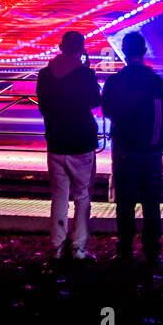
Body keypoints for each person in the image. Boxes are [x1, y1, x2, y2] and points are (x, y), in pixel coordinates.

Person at [101, 31, 163, 266]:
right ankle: (153, 252)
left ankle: (124, 251)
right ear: (144, 52)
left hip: (125, 150)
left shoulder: (116, 81)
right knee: (152, 203)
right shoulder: (155, 81)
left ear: (124, 51)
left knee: (125, 202)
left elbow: (107, 111)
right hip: (152, 151)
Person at [35, 31, 101, 262]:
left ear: (60, 47)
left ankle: (57, 246)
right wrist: (87, 68)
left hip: (55, 140)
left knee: (59, 196)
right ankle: (79, 249)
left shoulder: (44, 75)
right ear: (81, 49)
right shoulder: (85, 74)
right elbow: (95, 101)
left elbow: (43, 107)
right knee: (82, 196)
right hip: (82, 141)